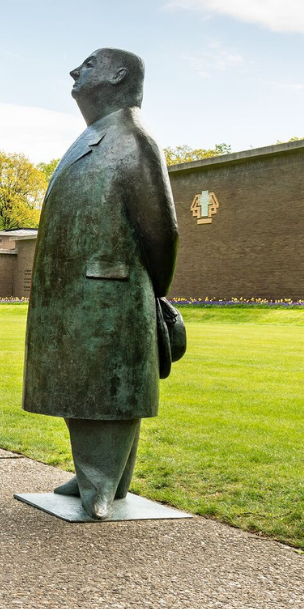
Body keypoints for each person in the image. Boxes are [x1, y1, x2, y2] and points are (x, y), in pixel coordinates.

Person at [22, 49, 179, 520]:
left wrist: (151, 290)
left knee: (104, 388)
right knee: (84, 384)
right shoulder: (97, 136)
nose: (75, 70)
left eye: (90, 63)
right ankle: (100, 474)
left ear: (119, 75)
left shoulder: (133, 138)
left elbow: (162, 230)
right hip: (80, 292)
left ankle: (101, 482)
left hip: (109, 291)